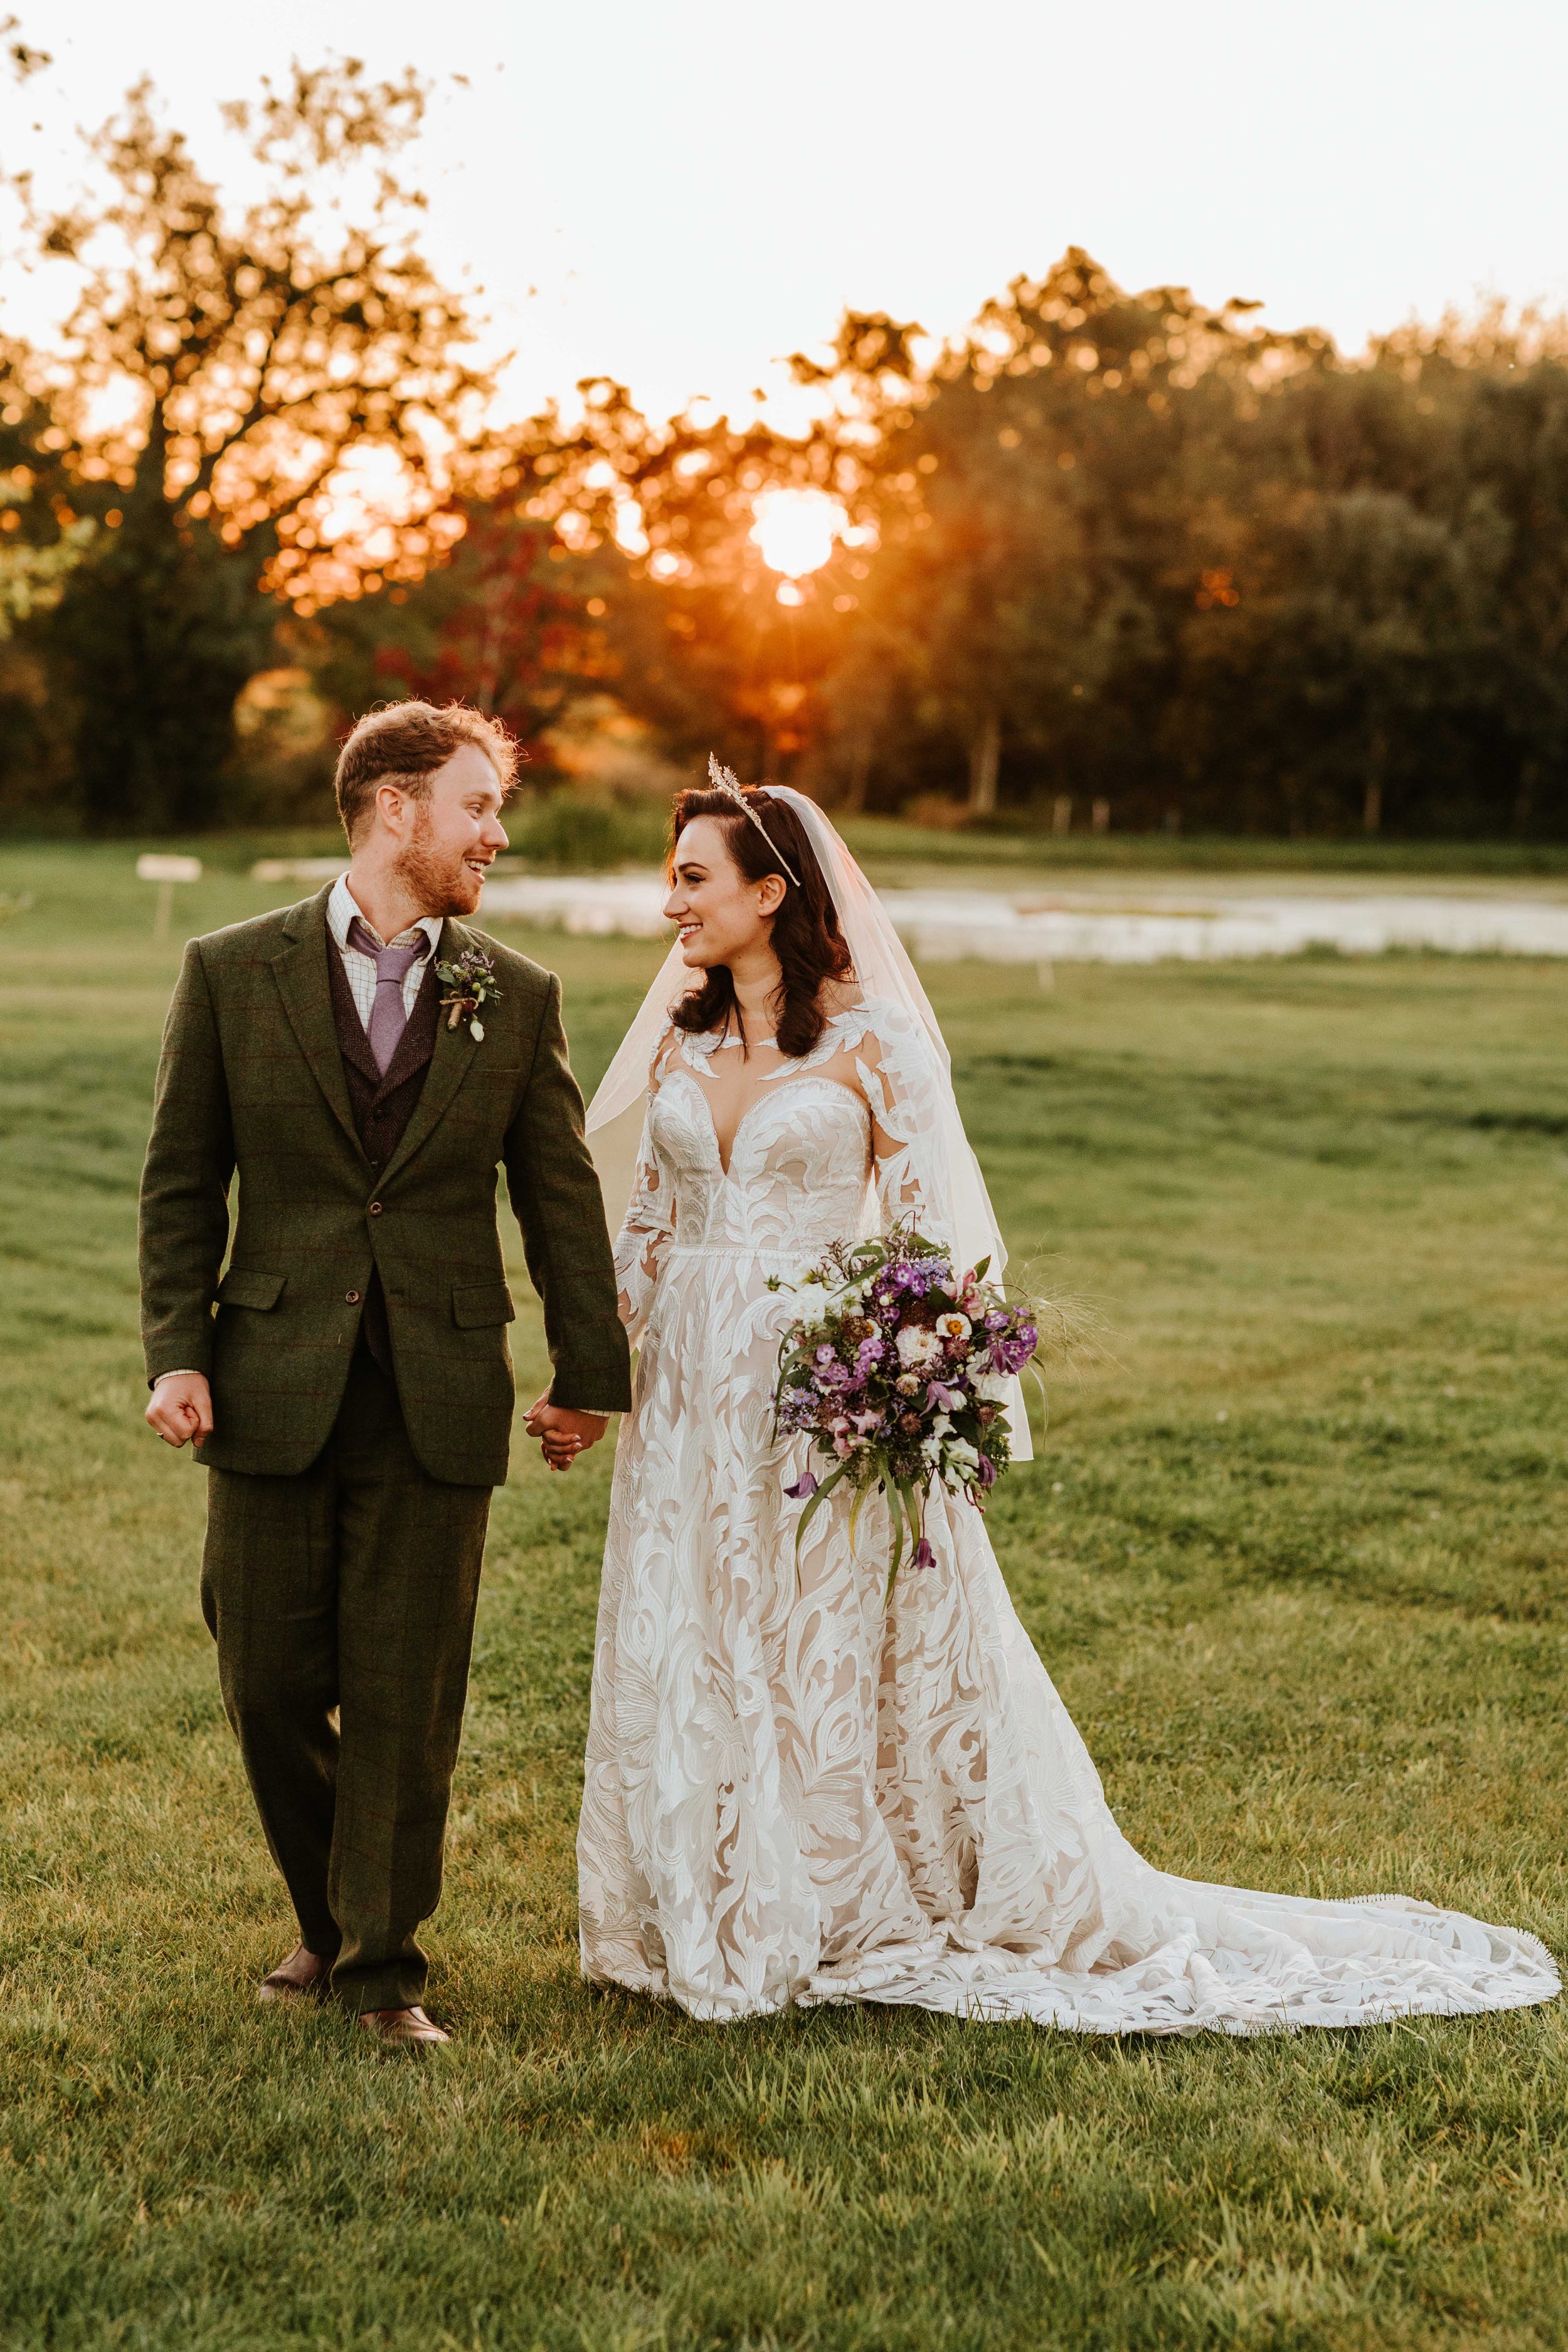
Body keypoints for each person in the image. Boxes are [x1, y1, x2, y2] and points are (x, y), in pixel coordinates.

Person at [575, 762, 1557, 2034]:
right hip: (684, 1398)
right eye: (673, 879)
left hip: (808, 1394)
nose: (672, 905)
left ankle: (812, 1898)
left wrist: (902, 1376)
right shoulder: (681, 1038)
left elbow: (931, 1252)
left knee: (800, 1640)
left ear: (772, 892)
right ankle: (682, 1900)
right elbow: (645, 1234)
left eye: (694, 879)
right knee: (689, 1627)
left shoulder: (873, 1045)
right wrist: (590, 1380)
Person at [140, 701, 629, 2050]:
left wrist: (588, 1371)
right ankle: (325, 1907)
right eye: (478, 806)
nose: (499, 832)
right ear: (395, 809)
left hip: (441, 1384)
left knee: (409, 1697)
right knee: (271, 1678)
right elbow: (183, 1179)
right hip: (267, 1378)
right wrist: (177, 1350)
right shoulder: (229, 970)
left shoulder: (514, 994)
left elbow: (559, 1195)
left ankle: (379, 1969)